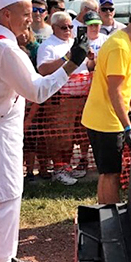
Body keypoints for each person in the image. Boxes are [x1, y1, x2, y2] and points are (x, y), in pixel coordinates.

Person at [0, 0, 87, 262]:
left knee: (7, 192)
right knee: (2, 195)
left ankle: (3, 257)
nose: (32, 19)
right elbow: (37, 90)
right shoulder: (6, 48)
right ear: (6, 15)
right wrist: (72, 64)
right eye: (25, 14)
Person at [81, 4, 131, 205]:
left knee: (106, 172)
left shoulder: (120, 41)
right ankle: (110, 217)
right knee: (111, 174)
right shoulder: (119, 47)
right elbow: (114, 90)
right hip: (107, 121)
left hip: (102, 117)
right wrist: (126, 124)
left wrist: (129, 111)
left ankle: (103, 213)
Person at [36, 11, 80, 185]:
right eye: (64, 27)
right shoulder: (48, 46)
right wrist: (66, 57)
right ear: (53, 28)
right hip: (61, 97)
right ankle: (58, 169)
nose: (68, 30)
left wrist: (91, 60)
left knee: (72, 136)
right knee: (59, 135)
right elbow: (43, 69)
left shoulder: (74, 42)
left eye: (70, 26)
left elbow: (86, 66)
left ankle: (67, 167)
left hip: (79, 96)